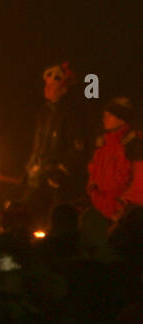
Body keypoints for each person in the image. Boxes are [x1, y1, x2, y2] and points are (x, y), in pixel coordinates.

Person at [22, 62, 88, 227]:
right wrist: (28, 169)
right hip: (38, 177)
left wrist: (60, 170)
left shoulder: (71, 114)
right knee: (23, 213)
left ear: (63, 89)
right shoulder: (44, 113)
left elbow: (78, 149)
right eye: (46, 84)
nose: (47, 88)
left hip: (56, 182)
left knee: (54, 220)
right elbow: (39, 146)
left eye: (52, 85)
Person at [87, 97, 143, 223]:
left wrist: (120, 208)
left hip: (126, 215)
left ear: (122, 119)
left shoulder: (135, 144)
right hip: (101, 211)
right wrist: (98, 200)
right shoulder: (102, 145)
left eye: (110, 115)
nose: (104, 119)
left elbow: (139, 183)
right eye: (104, 115)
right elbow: (93, 178)